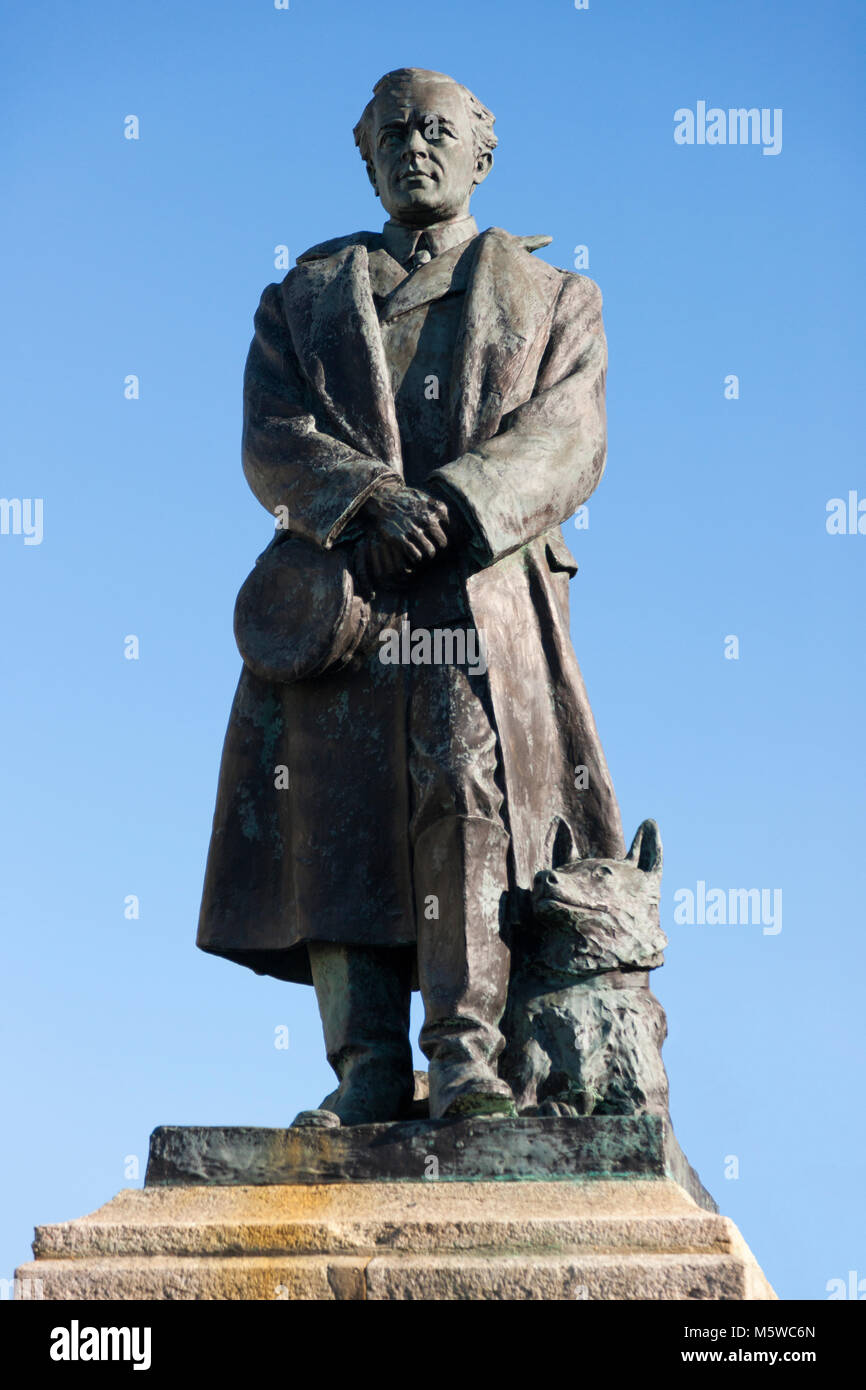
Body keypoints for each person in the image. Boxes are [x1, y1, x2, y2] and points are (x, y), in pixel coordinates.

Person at [197, 67, 624, 1123]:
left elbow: (567, 439)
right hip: (346, 596)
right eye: (388, 133)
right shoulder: (301, 297)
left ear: (483, 151)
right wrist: (371, 500)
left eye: (435, 129)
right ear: (365, 155)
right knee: (333, 817)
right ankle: (367, 1072)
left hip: (475, 600)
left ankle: (467, 1058)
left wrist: (457, 501)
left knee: (467, 804)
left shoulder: (559, 296)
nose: (411, 146)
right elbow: (273, 437)